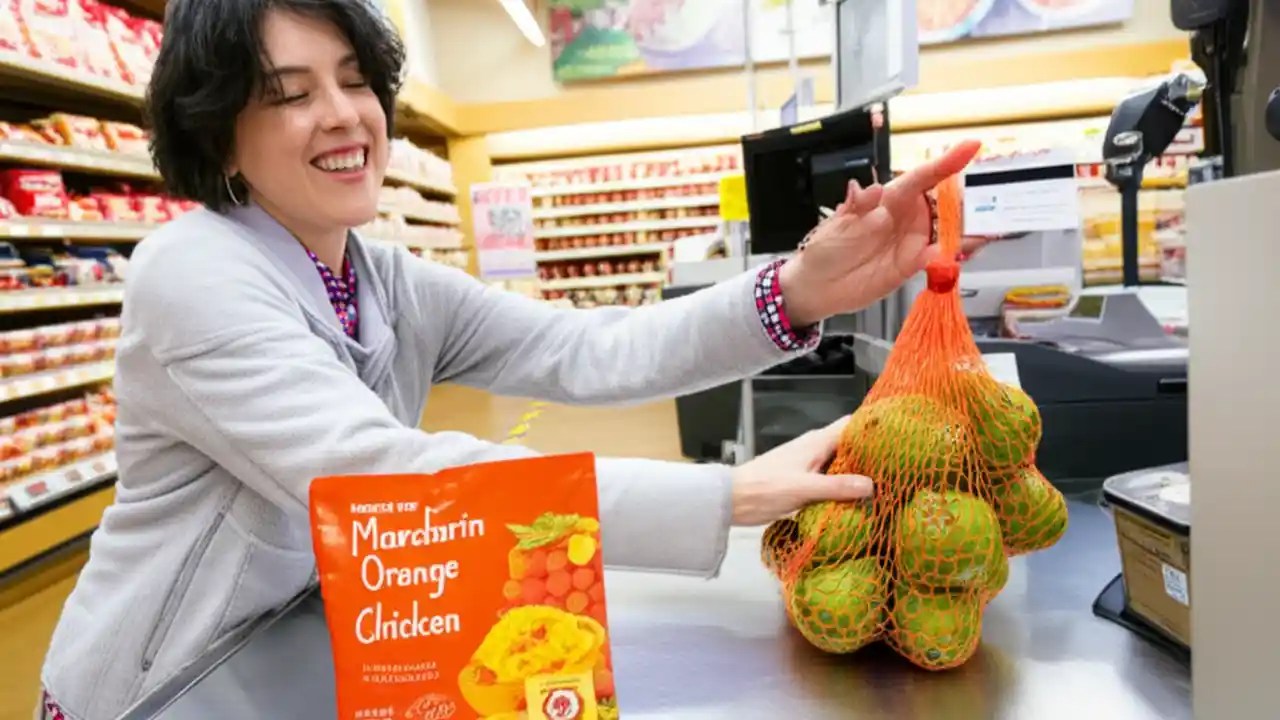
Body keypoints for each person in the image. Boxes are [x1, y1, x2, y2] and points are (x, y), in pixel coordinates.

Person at [35, 1, 980, 718]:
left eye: (355, 79)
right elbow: (386, 474)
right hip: (166, 682)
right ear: (217, 134)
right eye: (287, 94)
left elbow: (586, 348)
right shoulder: (192, 272)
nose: (342, 116)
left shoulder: (382, 275)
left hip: (299, 645)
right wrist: (723, 499)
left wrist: (800, 289)